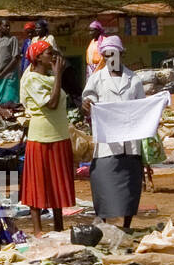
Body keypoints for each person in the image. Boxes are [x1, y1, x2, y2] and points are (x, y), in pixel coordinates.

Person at [81, 35, 145, 229]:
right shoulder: (97, 79)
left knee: (129, 185)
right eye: (107, 55)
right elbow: (87, 97)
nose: (111, 58)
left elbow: (142, 107)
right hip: (107, 143)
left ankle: (126, 225)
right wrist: (87, 105)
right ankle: (106, 223)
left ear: (121, 54)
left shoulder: (133, 80)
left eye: (114, 54)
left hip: (130, 143)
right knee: (104, 182)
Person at [19, 39, 74, 233]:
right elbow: (51, 103)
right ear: (38, 57)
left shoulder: (51, 78)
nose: (53, 56)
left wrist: (56, 75)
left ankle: (59, 226)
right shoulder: (31, 79)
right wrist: (58, 74)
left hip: (59, 135)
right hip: (40, 137)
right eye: (49, 53)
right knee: (38, 183)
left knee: (57, 182)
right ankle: (38, 230)